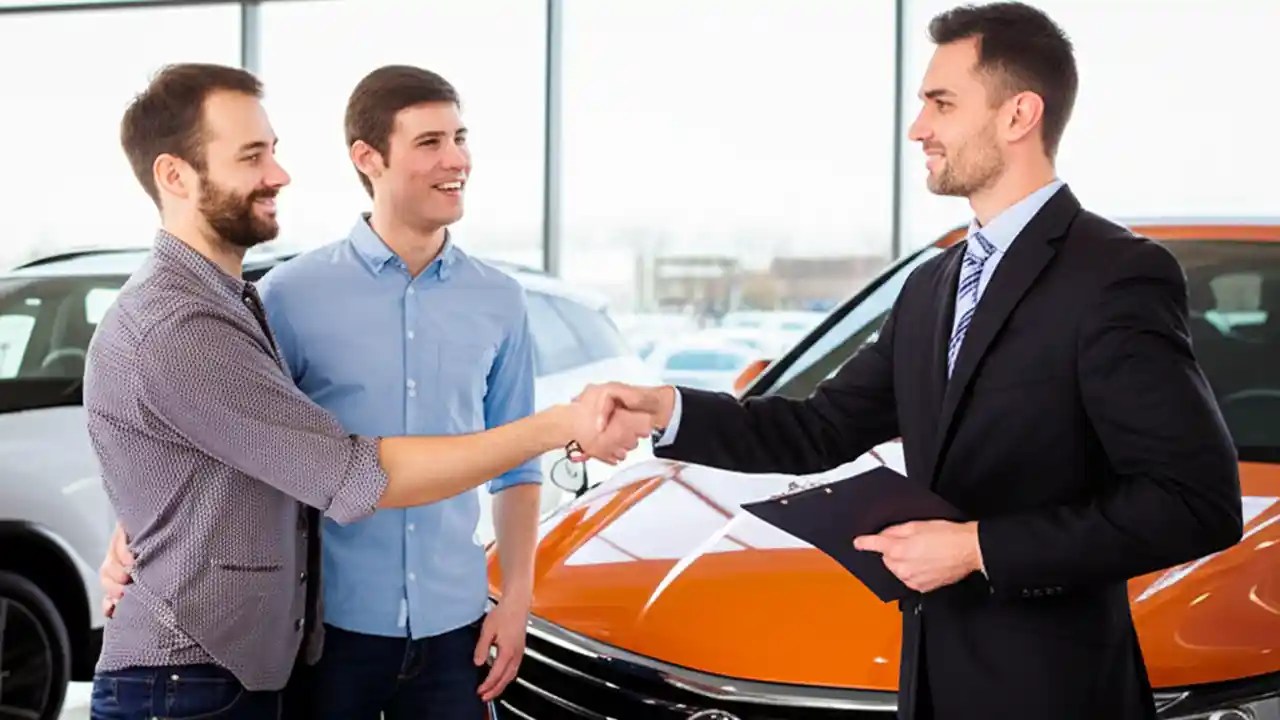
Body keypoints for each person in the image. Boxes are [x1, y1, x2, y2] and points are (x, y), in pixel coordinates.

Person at [575, 3, 1243, 719]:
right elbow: (819, 427)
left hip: (1052, 691)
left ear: (1019, 115)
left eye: (941, 103)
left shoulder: (1113, 275)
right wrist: (667, 408)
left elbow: (1194, 504)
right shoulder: (933, 283)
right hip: (930, 682)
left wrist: (978, 548)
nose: (918, 127)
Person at [86, 62, 648, 720]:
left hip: (451, 624)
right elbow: (306, 455)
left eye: (460, 137)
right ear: (368, 158)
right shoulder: (279, 299)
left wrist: (515, 596)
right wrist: (562, 423)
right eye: (430, 142)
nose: (456, 159)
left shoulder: (498, 300)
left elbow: (228, 433)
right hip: (321, 636)